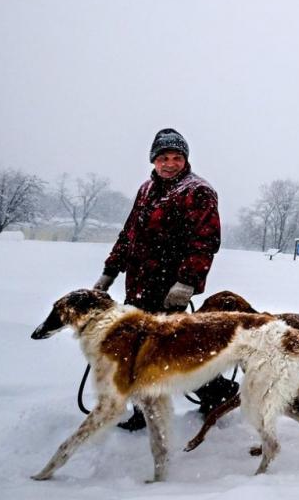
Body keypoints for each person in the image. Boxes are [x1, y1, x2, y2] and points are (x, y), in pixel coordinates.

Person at [93, 128, 235, 429]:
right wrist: (109, 272)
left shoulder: (198, 191)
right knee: (146, 349)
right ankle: (208, 394)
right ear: (153, 160)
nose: (170, 164)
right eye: (163, 158)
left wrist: (186, 283)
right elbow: (129, 234)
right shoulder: (146, 189)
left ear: (185, 160)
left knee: (163, 351)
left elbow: (205, 242)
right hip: (139, 285)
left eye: (176, 158)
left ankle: (210, 394)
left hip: (170, 288)